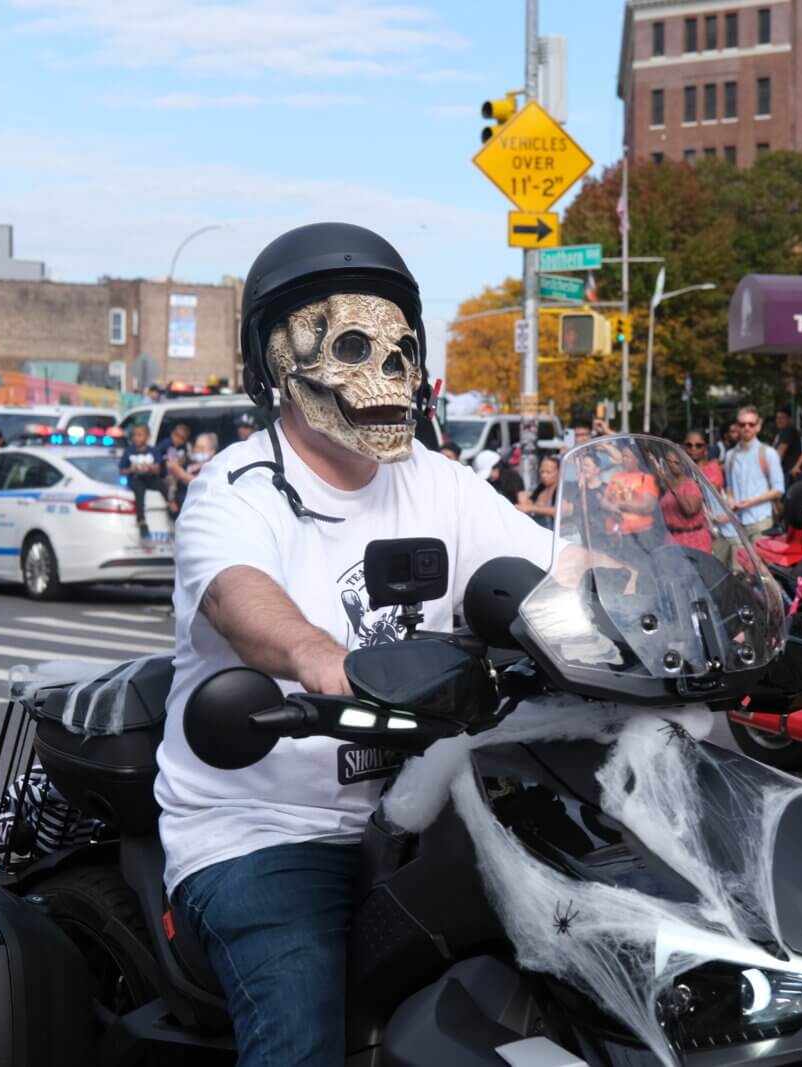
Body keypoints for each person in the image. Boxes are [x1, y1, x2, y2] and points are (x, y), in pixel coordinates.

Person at [154, 222, 552, 1067]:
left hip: (432, 804)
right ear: (279, 362)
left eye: (402, 348)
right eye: (355, 347)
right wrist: (318, 657)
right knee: (300, 1039)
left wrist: (681, 596)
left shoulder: (441, 482)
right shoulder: (237, 487)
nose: (390, 374)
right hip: (267, 829)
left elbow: (552, 566)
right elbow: (238, 594)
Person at [724, 407, 785, 540]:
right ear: (737, 427)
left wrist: (752, 501)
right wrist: (730, 500)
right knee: (739, 561)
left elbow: (779, 490)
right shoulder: (730, 456)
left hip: (761, 520)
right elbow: (729, 486)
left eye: (751, 424)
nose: (747, 427)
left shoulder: (768, 453)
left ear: (758, 427)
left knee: (760, 561)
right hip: (737, 522)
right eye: (742, 424)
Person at [659, 448, 712, 553]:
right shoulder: (666, 487)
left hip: (693, 541)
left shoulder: (690, 485)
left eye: (676, 462)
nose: (672, 465)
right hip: (673, 540)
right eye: (668, 461)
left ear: (683, 464)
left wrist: (673, 489)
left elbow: (690, 510)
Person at [118, 423, 164, 539]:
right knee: (139, 491)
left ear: (147, 436)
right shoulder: (129, 451)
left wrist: (150, 468)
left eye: (140, 435)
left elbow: (158, 469)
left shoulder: (153, 451)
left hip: (150, 478)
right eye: (134, 435)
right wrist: (131, 469)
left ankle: (173, 510)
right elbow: (122, 470)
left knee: (163, 486)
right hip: (135, 479)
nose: (136, 438)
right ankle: (141, 521)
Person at [158, 422, 194, 519]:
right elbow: (157, 455)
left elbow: (187, 459)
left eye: (182, 439)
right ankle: (171, 501)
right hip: (167, 473)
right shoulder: (166, 443)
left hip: (179, 474)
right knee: (170, 484)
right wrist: (165, 461)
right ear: (172, 434)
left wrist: (183, 461)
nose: (178, 440)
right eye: (176, 436)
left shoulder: (185, 447)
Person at [516, 455, 560, 530]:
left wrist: (531, 508)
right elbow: (528, 504)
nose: (544, 475)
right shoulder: (541, 487)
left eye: (548, 472)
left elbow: (560, 511)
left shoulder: (563, 489)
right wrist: (523, 500)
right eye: (542, 472)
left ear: (559, 472)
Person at [772, 409, 802, 483]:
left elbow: (780, 452)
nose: (779, 420)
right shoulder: (781, 433)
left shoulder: (788, 430)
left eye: (782, 418)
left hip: (788, 473)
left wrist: (771, 471)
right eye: (777, 418)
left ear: (790, 419)